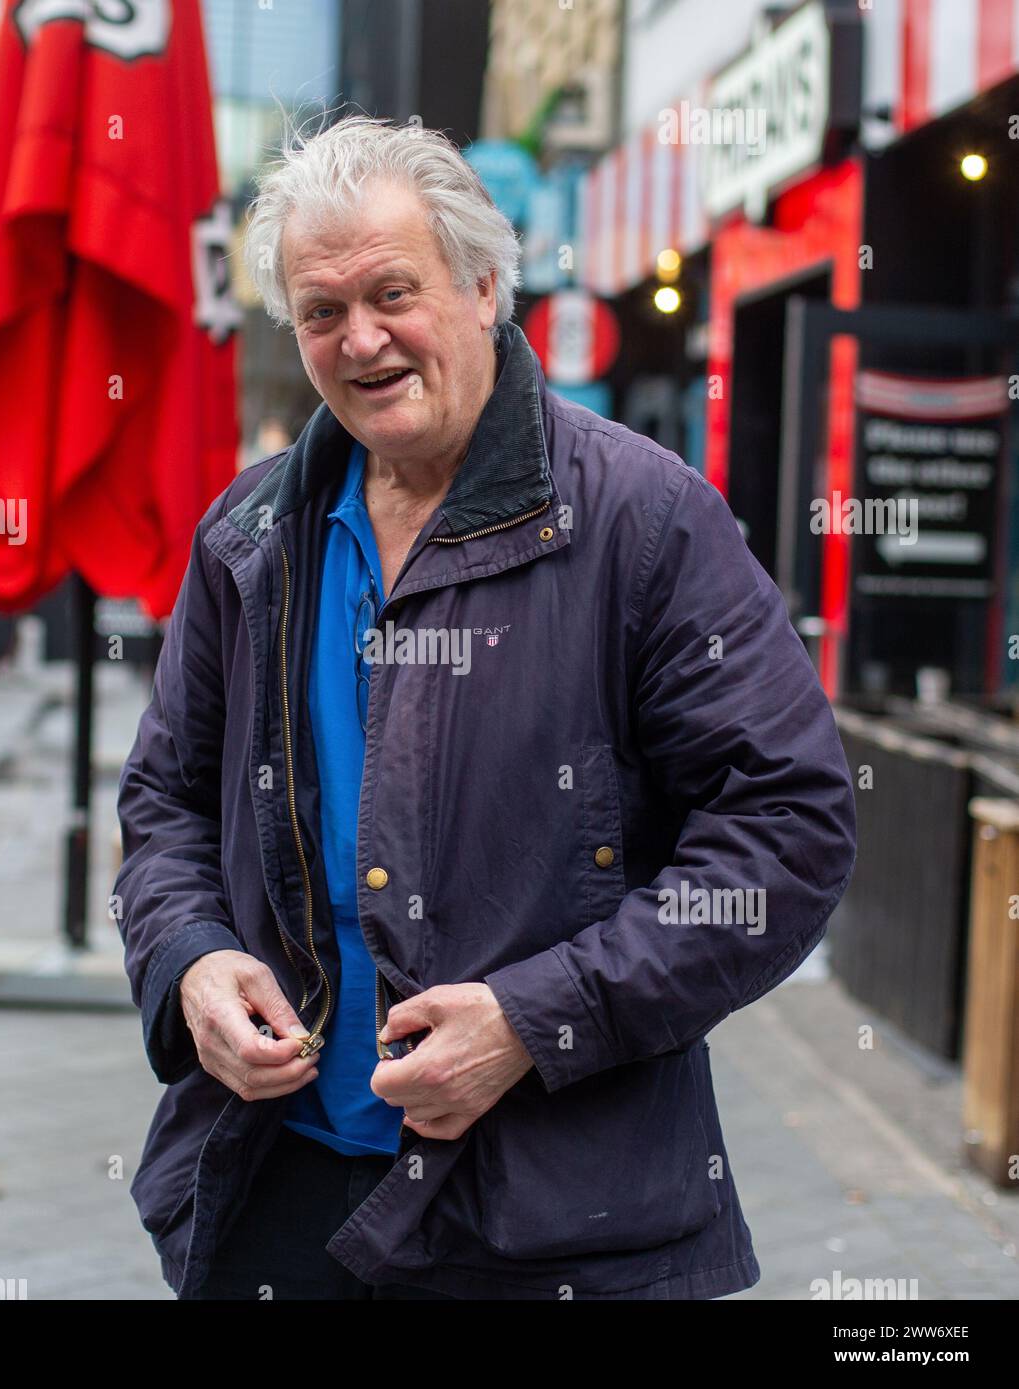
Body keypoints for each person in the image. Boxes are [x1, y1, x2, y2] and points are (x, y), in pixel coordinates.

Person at [114, 114, 857, 1301]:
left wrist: (536, 1017)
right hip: (278, 1194)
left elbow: (791, 830)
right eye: (321, 311)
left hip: (552, 1223)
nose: (361, 339)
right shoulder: (247, 535)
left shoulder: (644, 520)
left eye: (393, 292)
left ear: (483, 286)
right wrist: (191, 962)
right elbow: (163, 801)